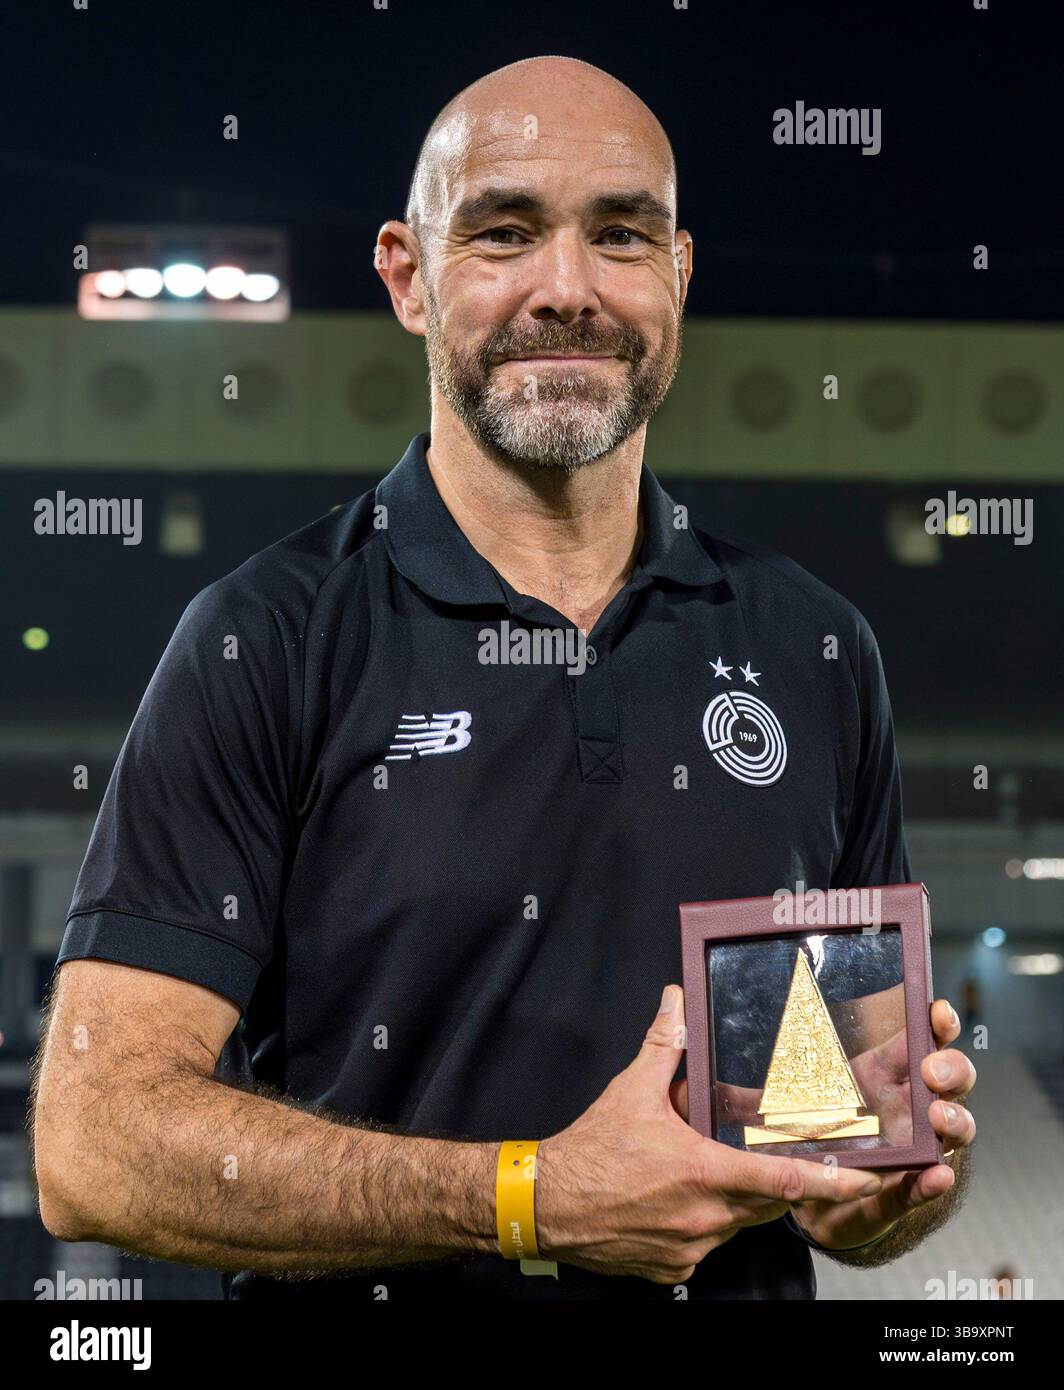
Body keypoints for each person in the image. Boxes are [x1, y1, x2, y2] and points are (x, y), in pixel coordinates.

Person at [31, 55, 975, 1300]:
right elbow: (93, 1147)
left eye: (621, 235)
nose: (566, 290)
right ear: (407, 277)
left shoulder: (816, 645)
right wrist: (529, 1198)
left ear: (679, 277)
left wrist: (874, 1197)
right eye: (504, 232)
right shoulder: (260, 636)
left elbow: (840, 1167)